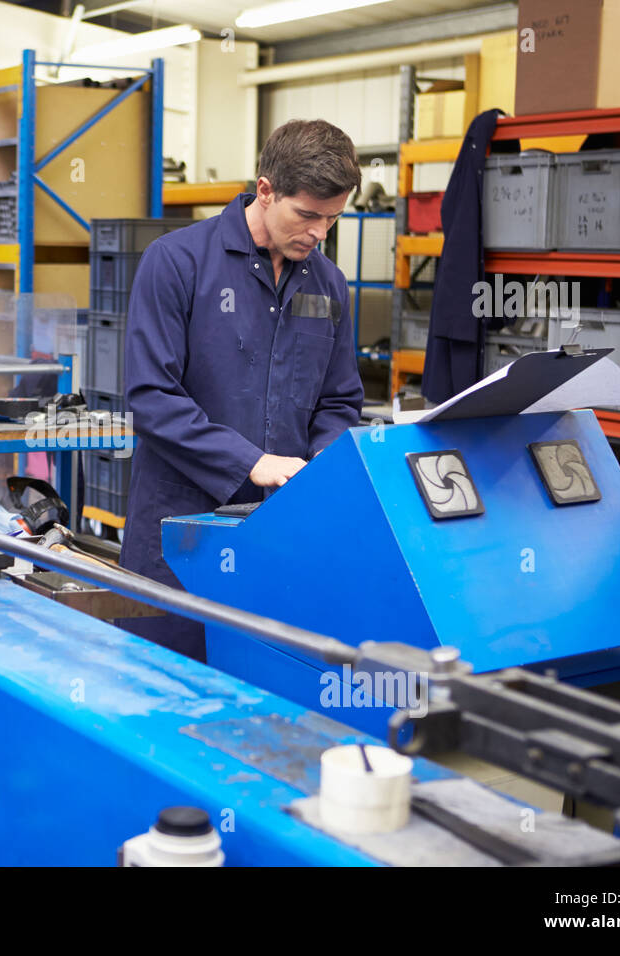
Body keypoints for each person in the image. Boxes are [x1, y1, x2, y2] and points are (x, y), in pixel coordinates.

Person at [117, 119, 365, 661]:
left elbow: (340, 400)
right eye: (306, 215)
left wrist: (324, 456)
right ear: (265, 189)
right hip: (180, 532)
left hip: (279, 528)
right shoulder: (178, 263)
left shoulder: (329, 284)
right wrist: (250, 462)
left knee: (266, 682)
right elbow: (151, 396)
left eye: (332, 219)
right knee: (163, 686)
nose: (318, 233)